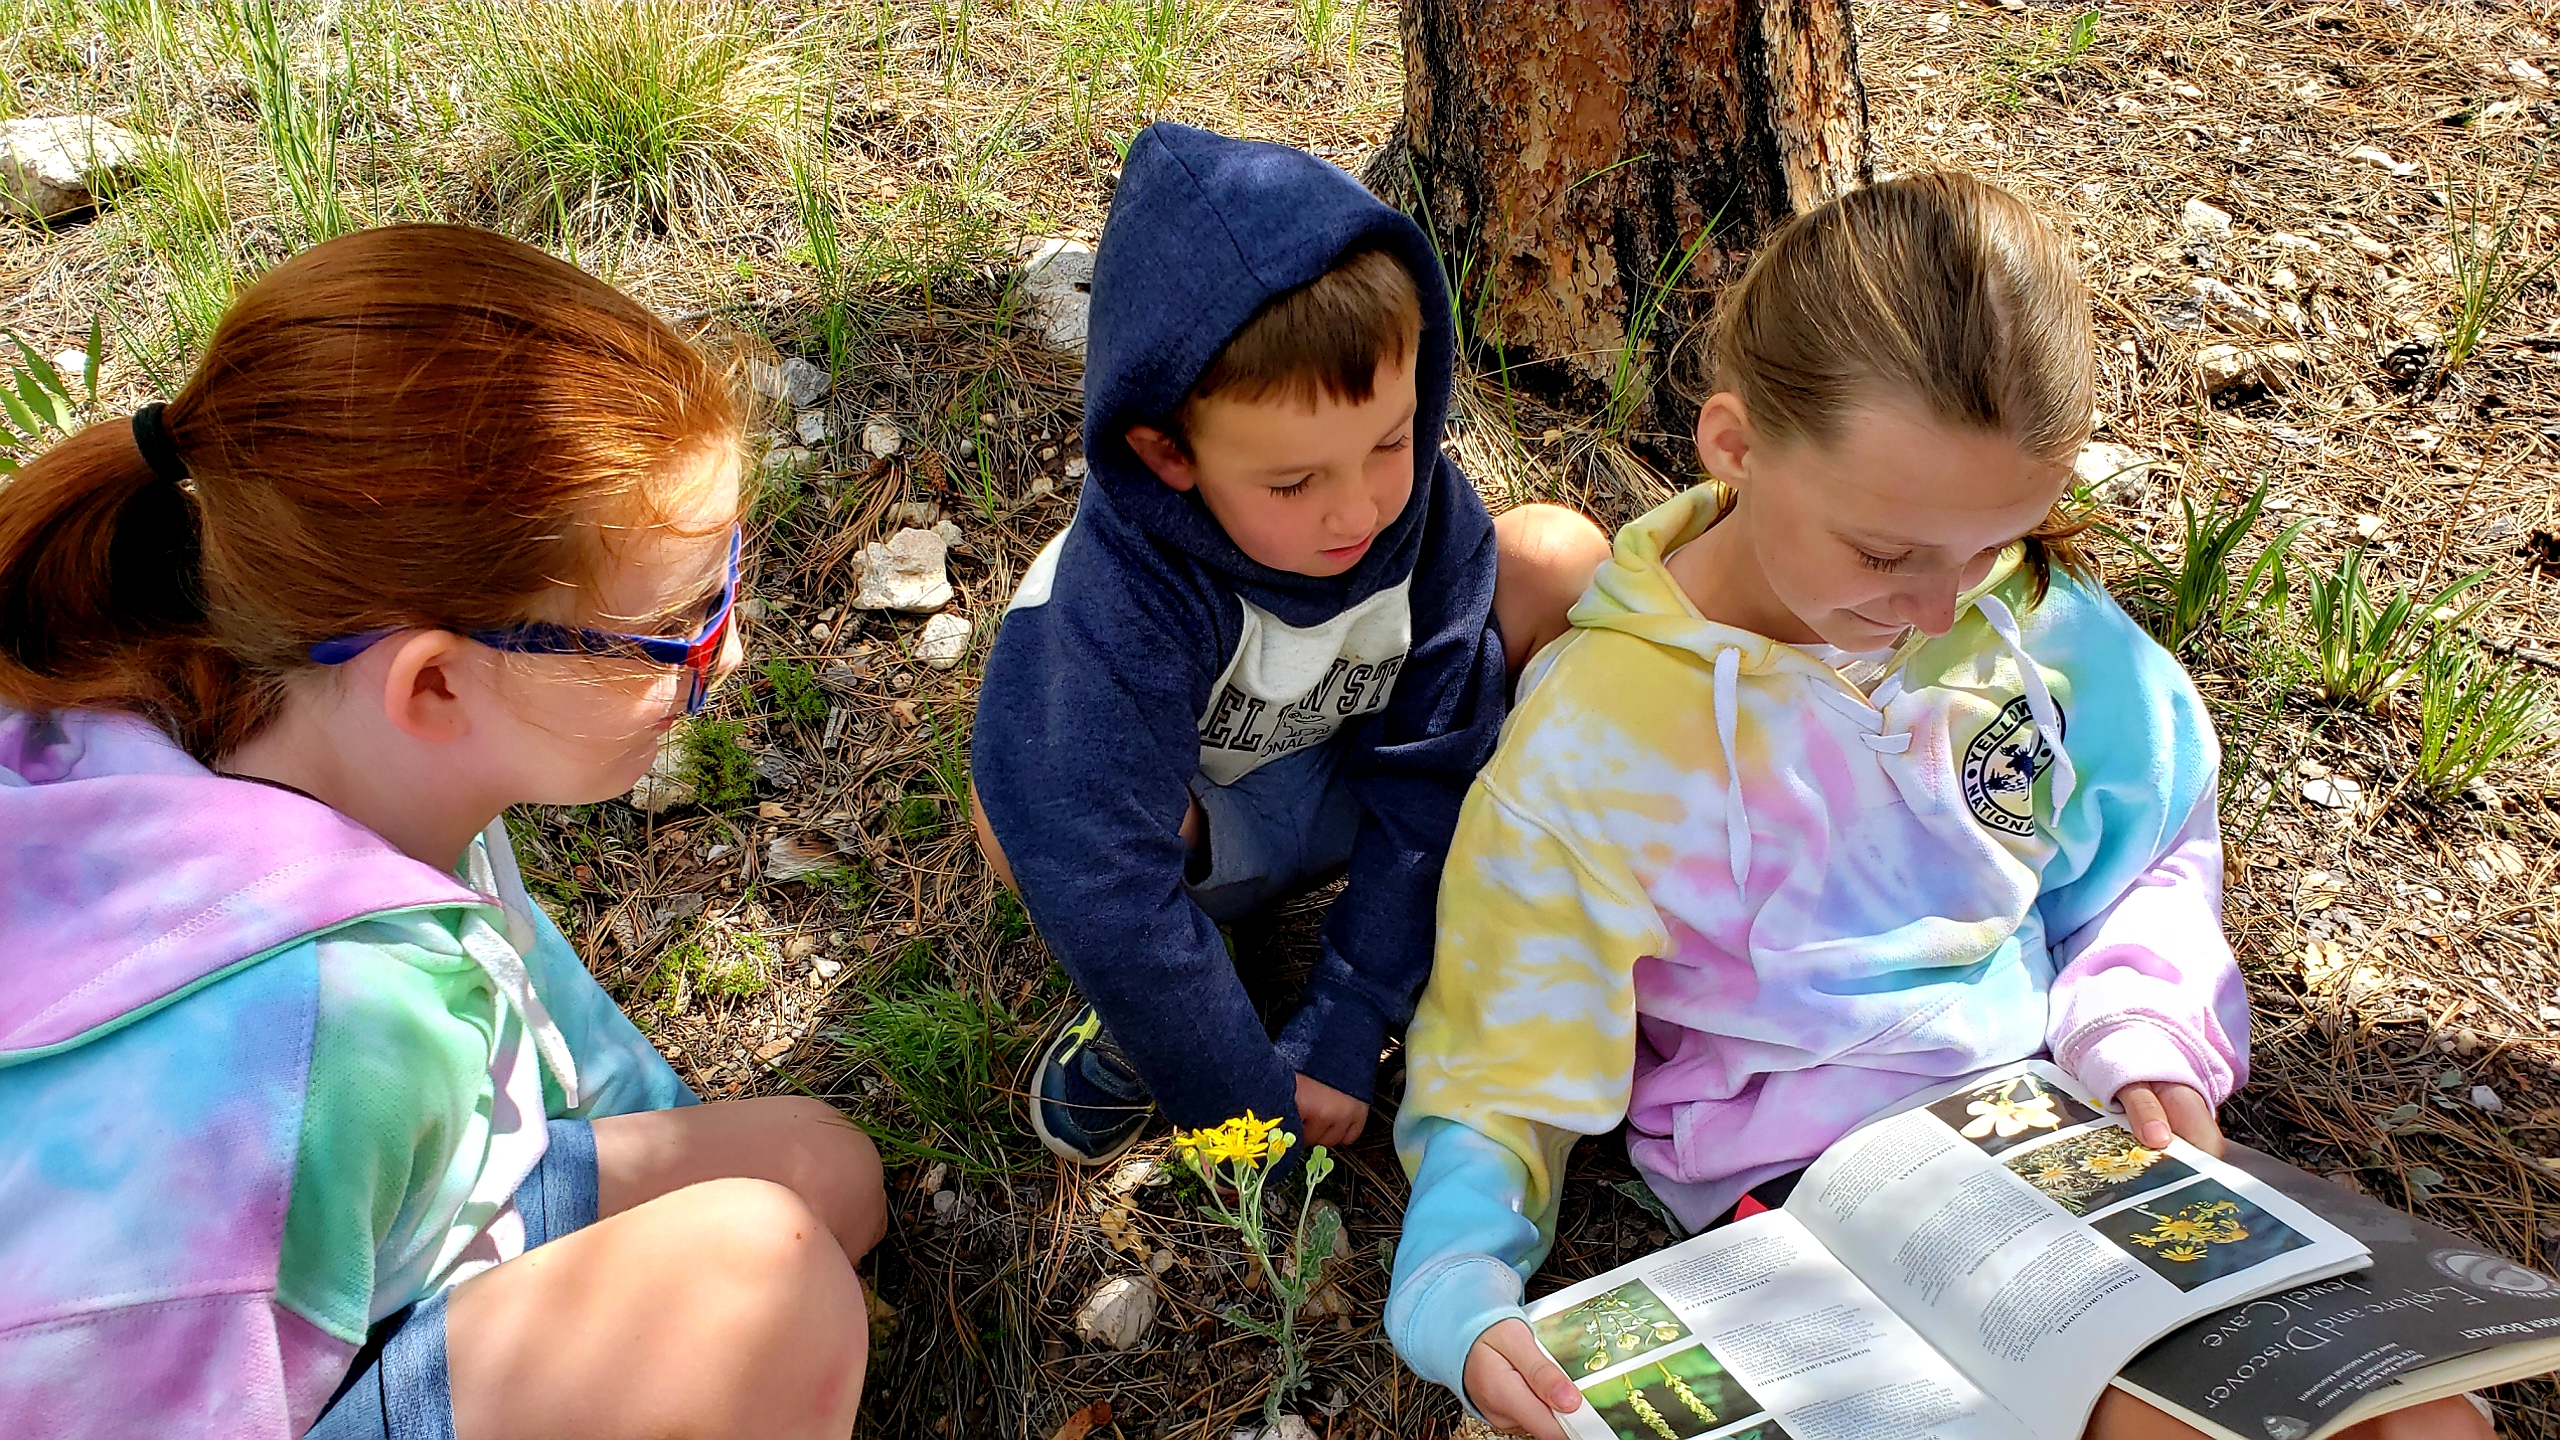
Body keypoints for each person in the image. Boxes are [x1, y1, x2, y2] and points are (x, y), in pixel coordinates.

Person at [1383, 173, 2494, 1440]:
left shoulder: (2034, 620)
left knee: (2426, 1421)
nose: (1936, 606)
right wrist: (1455, 1279)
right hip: (1817, 1201)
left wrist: (2143, 1029)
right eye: (1881, 554)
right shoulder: (1600, 738)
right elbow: (1502, 1054)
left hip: (2063, 1122)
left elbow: (2149, 853)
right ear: (1733, 446)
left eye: (1986, 545)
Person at [0, 226, 884, 1440]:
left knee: (824, 1174)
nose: (728, 648)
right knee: (761, 1283)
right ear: (435, 683)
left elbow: (539, 1023)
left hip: (375, 1228)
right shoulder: (307, 1043)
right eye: (678, 623)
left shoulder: (316, 730)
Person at [968, 121, 1609, 1167]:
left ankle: (1502, 922)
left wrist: (1350, 1009)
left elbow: (1433, 764)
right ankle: (1162, 1013)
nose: (1357, 510)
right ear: (1168, 454)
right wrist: (1244, 1100)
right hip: (1204, 833)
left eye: (1390, 441)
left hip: (1367, 780)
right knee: (1026, 809)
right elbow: (1106, 881)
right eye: (1294, 482)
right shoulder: (1114, 605)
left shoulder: (1424, 516)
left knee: (1558, 558)